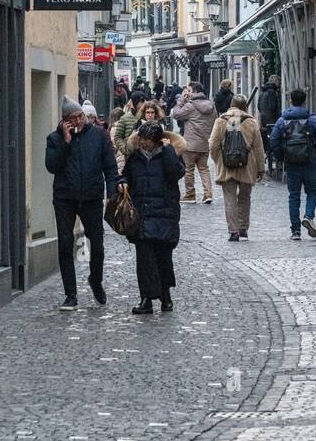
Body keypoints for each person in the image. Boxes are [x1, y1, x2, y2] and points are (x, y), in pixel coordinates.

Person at [45, 96, 119, 311]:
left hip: (92, 197)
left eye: (80, 116)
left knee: (97, 244)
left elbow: (110, 167)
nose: (78, 121)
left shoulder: (99, 136)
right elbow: (51, 166)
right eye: (73, 118)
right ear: (64, 120)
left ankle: (95, 280)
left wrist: (111, 191)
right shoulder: (54, 139)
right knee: (65, 244)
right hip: (64, 198)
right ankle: (70, 294)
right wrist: (65, 142)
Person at [120, 120, 185, 314]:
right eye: (141, 138)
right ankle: (146, 298)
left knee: (163, 258)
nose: (143, 143)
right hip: (142, 215)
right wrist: (122, 183)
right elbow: (126, 175)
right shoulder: (135, 158)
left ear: (156, 141)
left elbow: (176, 173)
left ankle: (165, 296)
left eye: (147, 140)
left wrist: (168, 151)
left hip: (164, 215)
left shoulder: (168, 155)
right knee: (144, 259)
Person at [269, 88, 316, 240]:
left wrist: (282, 157)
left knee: (294, 196)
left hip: (291, 162)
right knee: (312, 191)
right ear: (304, 101)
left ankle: (295, 231)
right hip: (309, 161)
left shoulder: (282, 121)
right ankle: (308, 216)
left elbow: (273, 141)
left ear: (291, 101)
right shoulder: (313, 120)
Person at [208, 94, 265, 240]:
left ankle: (233, 231)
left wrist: (218, 160)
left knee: (230, 199)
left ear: (231, 104)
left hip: (227, 166)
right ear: (245, 106)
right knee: (245, 198)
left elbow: (213, 144)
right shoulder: (251, 122)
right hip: (248, 166)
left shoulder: (221, 121)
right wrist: (260, 168)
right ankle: (243, 229)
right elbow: (259, 147)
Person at [172, 84, 217, 203]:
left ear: (195, 92)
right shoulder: (211, 106)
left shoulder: (190, 106)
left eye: (190, 90)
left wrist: (181, 100)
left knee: (189, 169)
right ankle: (208, 194)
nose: (188, 92)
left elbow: (176, 114)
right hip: (205, 143)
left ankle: (190, 194)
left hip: (190, 144)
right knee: (204, 169)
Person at [257, 75, 282, 166]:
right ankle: (276, 156)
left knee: (267, 138)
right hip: (272, 119)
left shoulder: (263, 92)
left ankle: (268, 155)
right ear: (275, 82)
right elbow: (273, 106)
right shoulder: (272, 92)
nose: (279, 85)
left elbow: (259, 106)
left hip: (264, 119)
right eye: (279, 82)